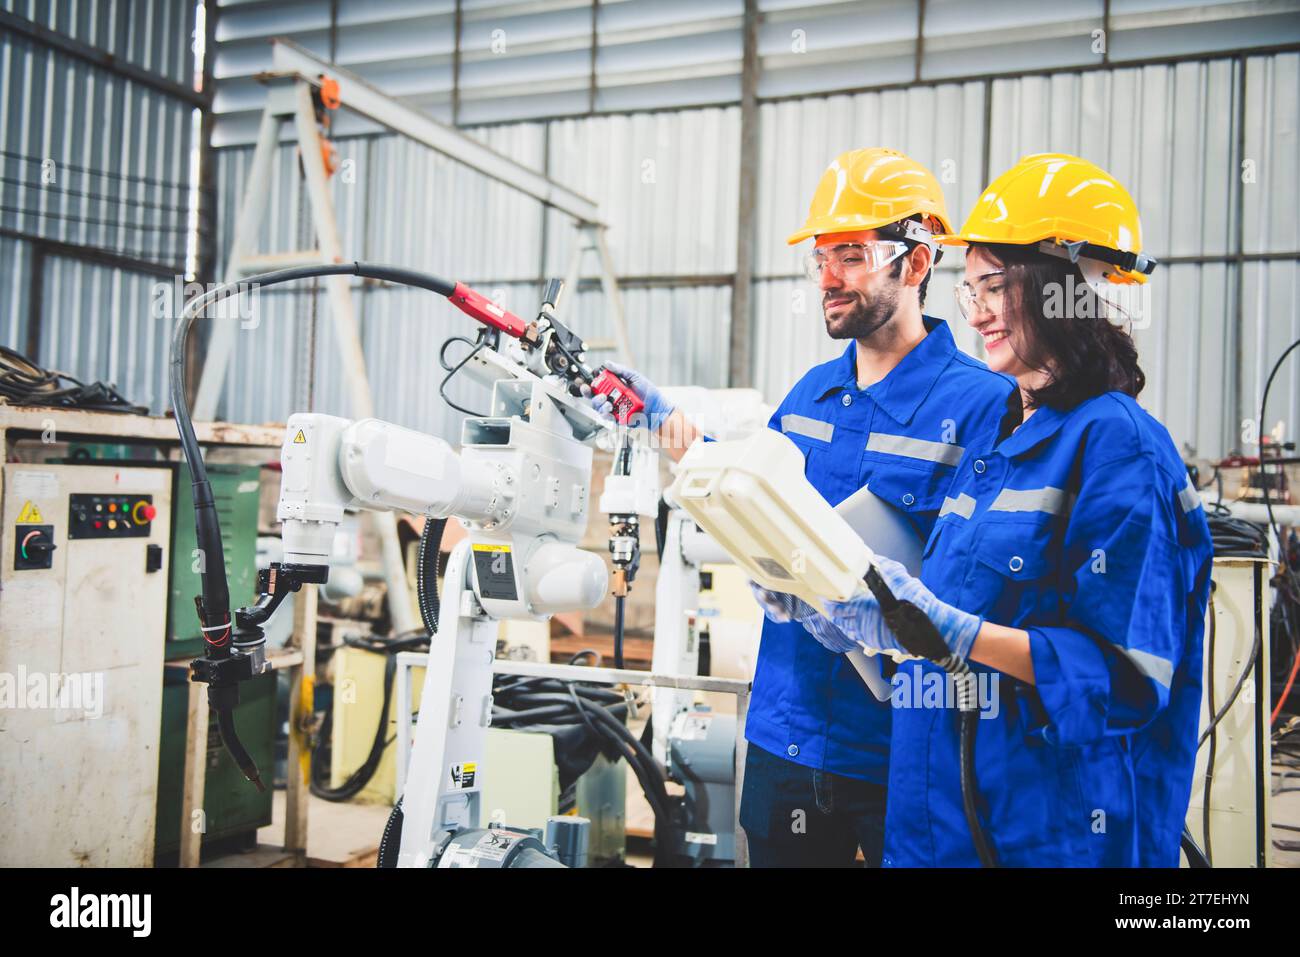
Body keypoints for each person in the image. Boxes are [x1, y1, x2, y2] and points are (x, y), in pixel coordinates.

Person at [591, 148, 1014, 866]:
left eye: (850, 255)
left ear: (915, 264)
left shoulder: (983, 405)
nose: (828, 277)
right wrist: (659, 418)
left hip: (902, 752)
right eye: (821, 257)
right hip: (785, 735)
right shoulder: (812, 395)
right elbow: (751, 486)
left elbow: (981, 586)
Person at [815, 153, 1213, 866]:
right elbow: (949, 609)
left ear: (1063, 291)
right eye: (969, 290)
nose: (978, 313)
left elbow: (1124, 675)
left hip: (1046, 837)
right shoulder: (998, 438)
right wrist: (864, 614)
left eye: (995, 285)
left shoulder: (1118, 446)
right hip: (931, 828)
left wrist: (956, 632)